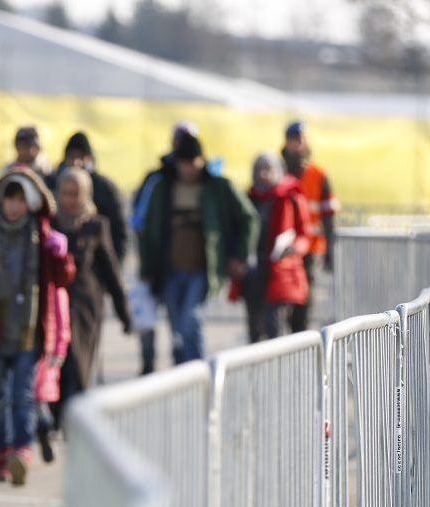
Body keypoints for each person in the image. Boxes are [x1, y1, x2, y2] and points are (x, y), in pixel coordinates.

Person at [0, 168, 75, 485]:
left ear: (31, 202)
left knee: (23, 395)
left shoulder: (42, 235)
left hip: (31, 330)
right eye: (9, 199)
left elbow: (64, 279)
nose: (14, 206)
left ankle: (21, 452)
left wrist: (61, 254)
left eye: (20, 200)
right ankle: (1, 454)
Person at [140, 133, 257, 364]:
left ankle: (197, 372)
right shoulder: (163, 186)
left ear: (202, 160)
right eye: (183, 163)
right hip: (170, 268)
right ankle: (182, 371)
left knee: (191, 321)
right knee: (176, 326)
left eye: (192, 162)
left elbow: (249, 218)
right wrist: (147, 266)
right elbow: (148, 229)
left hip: (203, 269)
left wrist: (239, 255)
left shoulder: (218, 187)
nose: (188, 169)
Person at [53, 167, 131, 421]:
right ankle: (57, 419)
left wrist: (124, 312)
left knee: (79, 364)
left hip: (86, 306)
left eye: (76, 194)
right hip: (56, 306)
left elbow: (111, 271)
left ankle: (78, 421)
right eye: (66, 193)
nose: (70, 200)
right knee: (58, 364)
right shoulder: (51, 224)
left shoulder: (96, 226)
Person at [130, 122, 199, 373]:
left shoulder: (206, 180)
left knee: (184, 321)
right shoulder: (157, 180)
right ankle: (148, 363)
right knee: (147, 317)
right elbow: (139, 221)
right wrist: (147, 260)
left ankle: (182, 368)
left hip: (190, 265)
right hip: (160, 264)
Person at [245, 153, 312, 339]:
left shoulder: (290, 196)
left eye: (268, 169)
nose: (263, 174)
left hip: (282, 269)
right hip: (254, 271)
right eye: (259, 169)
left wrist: (294, 249)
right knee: (255, 328)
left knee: (275, 326)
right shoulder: (249, 198)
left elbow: (305, 234)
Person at [281, 120, 339, 330]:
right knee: (281, 297)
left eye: (301, 139)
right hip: (283, 248)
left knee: (305, 297)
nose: (298, 144)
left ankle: (299, 335)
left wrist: (330, 249)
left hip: (310, 247)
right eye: (294, 139)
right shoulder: (278, 170)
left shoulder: (318, 175)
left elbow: (328, 214)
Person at [49, 131, 129, 263]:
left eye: (81, 157)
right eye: (71, 156)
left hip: (94, 269)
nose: (76, 162)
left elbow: (120, 231)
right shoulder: (53, 183)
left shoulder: (105, 188)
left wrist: (116, 264)